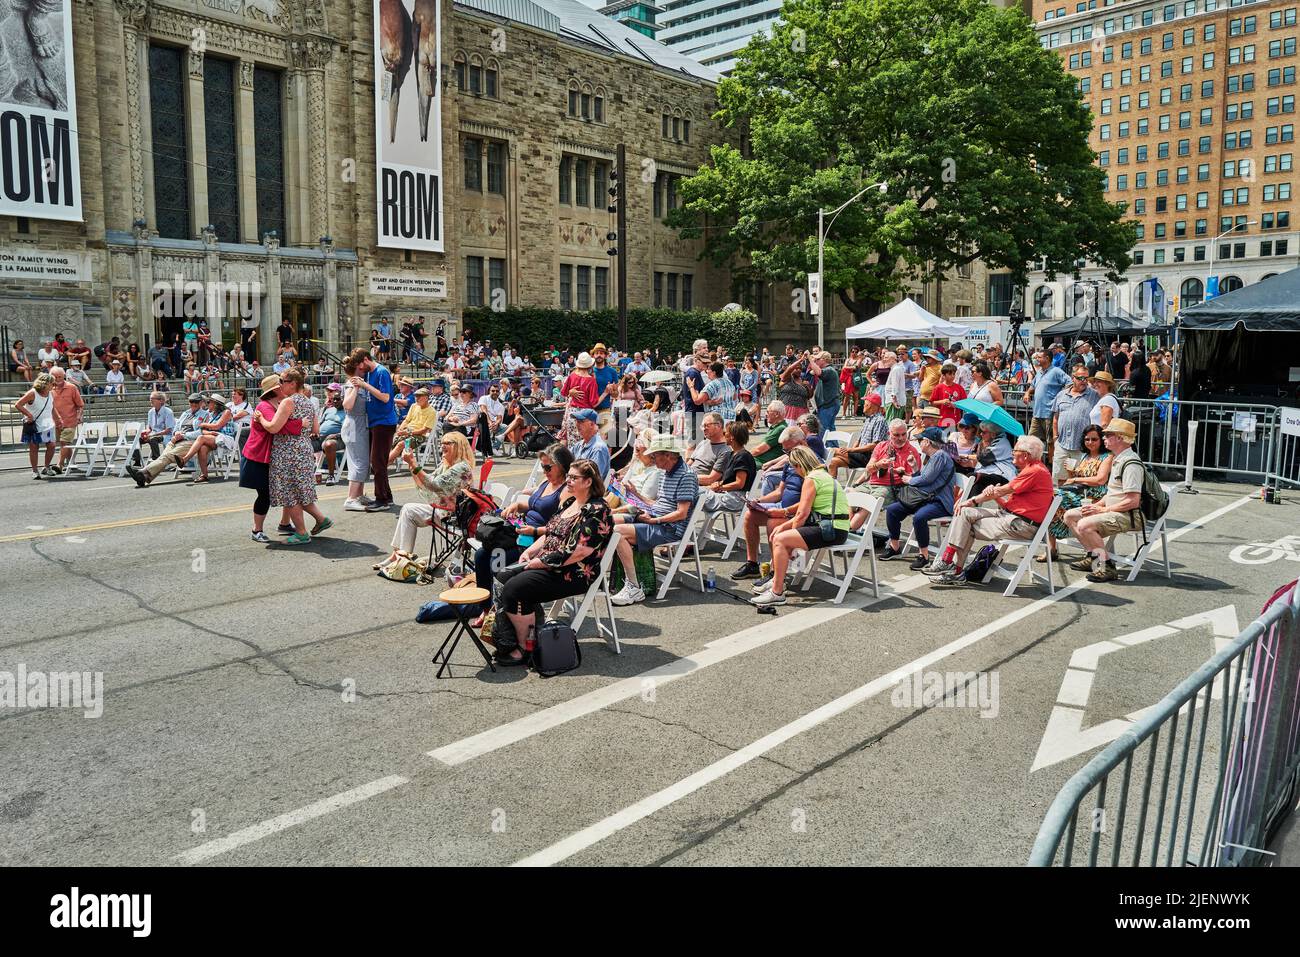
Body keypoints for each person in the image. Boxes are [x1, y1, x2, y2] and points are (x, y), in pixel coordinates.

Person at [489, 458, 614, 665]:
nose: (569, 481)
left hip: (574, 573)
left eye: (574, 478)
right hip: (551, 564)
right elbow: (550, 533)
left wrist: (543, 562)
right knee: (502, 577)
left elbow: (579, 552)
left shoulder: (597, 510)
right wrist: (530, 552)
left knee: (514, 589)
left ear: (588, 481)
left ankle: (524, 647)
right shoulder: (570, 502)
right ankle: (512, 637)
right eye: (568, 477)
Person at [924, 435, 1055, 585]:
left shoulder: (1035, 471)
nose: (1012, 453)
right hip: (1011, 517)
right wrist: (993, 494)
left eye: (1015, 450)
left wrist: (973, 500)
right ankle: (952, 566)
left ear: (1025, 455)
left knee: (965, 523)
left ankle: (953, 567)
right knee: (964, 513)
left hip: (1021, 525)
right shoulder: (1031, 469)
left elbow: (1002, 491)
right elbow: (1005, 501)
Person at [750, 446, 850, 606]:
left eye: (793, 467)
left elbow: (802, 515)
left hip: (831, 529)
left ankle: (777, 592)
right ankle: (777, 581)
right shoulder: (822, 474)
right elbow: (803, 511)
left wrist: (790, 543)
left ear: (799, 465)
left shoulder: (811, 479)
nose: (795, 472)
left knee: (781, 541)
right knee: (779, 534)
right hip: (834, 527)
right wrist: (782, 527)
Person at [609, 433, 700, 606]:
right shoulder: (667, 471)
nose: (652, 458)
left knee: (617, 532)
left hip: (669, 528)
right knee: (609, 520)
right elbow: (658, 504)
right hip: (657, 519)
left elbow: (681, 513)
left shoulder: (686, 475)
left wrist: (654, 521)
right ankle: (621, 578)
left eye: (654, 455)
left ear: (668, 455)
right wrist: (636, 494)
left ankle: (633, 586)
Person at [377, 431, 476, 570]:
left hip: (456, 517)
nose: (442, 446)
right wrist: (412, 466)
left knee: (409, 510)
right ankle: (400, 555)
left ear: (459, 446)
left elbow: (434, 485)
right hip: (444, 511)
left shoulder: (461, 467)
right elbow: (425, 485)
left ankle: (402, 557)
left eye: (448, 443)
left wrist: (413, 463)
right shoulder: (446, 465)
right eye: (442, 443)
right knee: (408, 510)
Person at [1063, 419, 1145, 583]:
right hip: (1115, 509)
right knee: (1070, 516)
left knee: (1084, 524)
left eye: (1108, 435)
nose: (1104, 437)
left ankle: (1106, 565)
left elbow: (1133, 501)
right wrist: (1097, 505)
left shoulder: (1130, 463)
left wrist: (1102, 510)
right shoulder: (1118, 458)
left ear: (1120, 438)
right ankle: (1092, 556)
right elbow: (1113, 493)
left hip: (1129, 515)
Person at [258, 369, 332, 544]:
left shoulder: (287, 402)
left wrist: (261, 418)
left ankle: (301, 532)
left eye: (282, 381)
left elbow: (273, 427)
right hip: (304, 448)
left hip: (287, 450)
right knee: (300, 491)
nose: (280, 384)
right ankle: (320, 520)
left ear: (292, 383)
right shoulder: (308, 402)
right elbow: (316, 430)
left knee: (289, 493)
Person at [877, 427, 957, 570]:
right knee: (893, 510)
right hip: (926, 498)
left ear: (927, 441)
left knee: (919, 517)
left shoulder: (940, 456)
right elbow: (925, 478)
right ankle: (894, 547)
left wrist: (909, 479)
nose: (919, 443)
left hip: (940, 501)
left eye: (920, 440)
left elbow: (927, 479)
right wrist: (914, 468)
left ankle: (924, 556)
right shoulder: (932, 457)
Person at [1042, 423, 1113, 560]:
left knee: (1054, 498)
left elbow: (1100, 480)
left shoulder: (1107, 457)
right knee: (1049, 497)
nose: (1090, 442)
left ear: (1101, 440)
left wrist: (1075, 480)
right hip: (1080, 492)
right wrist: (1071, 474)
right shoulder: (1084, 456)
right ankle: (1052, 547)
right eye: (1087, 439)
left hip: (1095, 495)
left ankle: (1059, 543)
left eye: (1094, 439)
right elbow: (1077, 480)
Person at [348, 347, 396, 508]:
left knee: (377, 462)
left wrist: (365, 386)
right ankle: (386, 495)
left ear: (366, 360)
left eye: (360, 366)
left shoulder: (381, 372)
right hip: (375, 421)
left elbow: (385, 397)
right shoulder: (369, 373)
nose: (360, 370)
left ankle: (382, 499)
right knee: (378, 461)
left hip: (384, 421)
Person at [128, 393, 208, 486]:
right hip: (176, 440)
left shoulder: (205, 415)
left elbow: (202, 432)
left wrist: (184, 435)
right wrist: (176, 433)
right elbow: (175, 427)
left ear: (201, 403)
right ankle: (144, 477)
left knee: (166, 456)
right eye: (191, 402)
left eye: (196, 402)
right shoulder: (185, 413)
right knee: (165, 456)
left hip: (191, 441)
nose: (193, 404)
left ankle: (142, 472)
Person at [340, 353, 377, 512]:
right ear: (356, 369)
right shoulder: (352, 384)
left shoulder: (358, 382)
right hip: (354, 424)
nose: (364, 371)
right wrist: (356, 387)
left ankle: (359, 495)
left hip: (360, 424)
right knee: (358, 462)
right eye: (361, 369)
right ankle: (351, 499)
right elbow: (347, 405)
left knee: (361, 460)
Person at [1051, 365, 1099, 485]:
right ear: (1073, 378)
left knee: (1079, 480)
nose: (1084, 381)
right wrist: (1055, 438)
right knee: (1059, 479)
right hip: (1062, 445)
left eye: (1086, 379)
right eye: (1080, 378)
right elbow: (1055, 418)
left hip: (1082, 447)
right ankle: (1060, 503)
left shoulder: (1094, 395)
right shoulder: (1061, 395)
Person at [1023, 350, 1072, 464]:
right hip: (1037, 413)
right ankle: (1033, 465)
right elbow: (1033, 385)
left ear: (1047, 358)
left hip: (1049, 413)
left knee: (1051, 442)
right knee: (1031, 441)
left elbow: (1069, 382)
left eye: (1039, 357)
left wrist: (1061, 396)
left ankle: (1051, 465)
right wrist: (1027, 393)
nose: (1037, 359)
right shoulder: (1039, 372)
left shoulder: (1056, 371)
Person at [177, 393, 238, 483]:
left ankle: (185, 459)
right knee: (202, 448)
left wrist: (204, 425)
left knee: (201, 438)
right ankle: (204, 475)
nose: (206, 404)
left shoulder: (226, 412)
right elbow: (203, 430)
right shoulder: (210, 413)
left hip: (225, 438)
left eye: (209, 402)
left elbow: (217, 426)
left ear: (216, 404)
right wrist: (208, 431)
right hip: (213, 437)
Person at [829, 392, 888, 480]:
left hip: (870, 457)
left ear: (872, 405)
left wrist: (851, 450)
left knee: (834, 451)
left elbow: (874, 445)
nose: (863, 405)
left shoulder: (879, 421)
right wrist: (851, 451)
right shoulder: (868, 419)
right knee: (833, 462)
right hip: (860, 455)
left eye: (865, 404)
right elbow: (859, 440)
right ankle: (834, 489)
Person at [864, 418, 921, 508]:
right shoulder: (881, 446)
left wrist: (901, 473)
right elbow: (868, 469)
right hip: (871, 485)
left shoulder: (912, 452)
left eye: (903, 434)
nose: (901, 438)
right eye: (896, 435)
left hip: (890, 488)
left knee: (867, 504)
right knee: (849, 496)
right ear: (889, 434)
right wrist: (878, 465)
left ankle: (855, 521)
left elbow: (915, 480)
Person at [700, 421, 754, 513]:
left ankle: (683, 524)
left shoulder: (743, 456)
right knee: (692, 491)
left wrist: (720, 487)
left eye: (725, 433)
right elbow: (730, 479)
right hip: (727, 495)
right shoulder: (732, 454)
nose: (723, 435)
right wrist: (718, 484)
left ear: (732, 437)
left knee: (693, 495)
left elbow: (739, 483)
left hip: (734, 499)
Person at [16, 372, 57, 478]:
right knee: (34, 447)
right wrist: (29, 415)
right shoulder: (33, 393)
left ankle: (46, 467)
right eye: (52, 383)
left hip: (47, 423)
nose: (54, 385)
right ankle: (35, 470)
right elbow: (18, 404)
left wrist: (58, 419)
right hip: (33, 424)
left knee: (52, 446)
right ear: (45, 384)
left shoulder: (50, 393)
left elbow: (52, 407)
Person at [388, 387, 437, 466]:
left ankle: (381, 465)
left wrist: (408, 432)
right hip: (407, 432)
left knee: (401, 444)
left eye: (419, 396)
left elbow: (424, 430)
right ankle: (382, 467)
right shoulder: (414, 406)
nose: (416, 398)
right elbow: (406, 421)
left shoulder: (432, 411)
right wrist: (400, 430)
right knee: (388, 442)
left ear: (426, 398)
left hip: (418, 436)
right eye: (416, 396)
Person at [49, 366, 84, 473]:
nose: (58, 379)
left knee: (64, 442)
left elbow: (80, 405)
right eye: (55, 377)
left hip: (70, 421)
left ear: (64, 376)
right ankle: (71, 462)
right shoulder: (49, 389)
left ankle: (59, 465)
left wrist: (79, 416)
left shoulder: (72, 387)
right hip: (55, 422)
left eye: (60, 376)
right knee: (64, 443)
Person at [968, 422, 1016, 497]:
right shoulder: (988, 442)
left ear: (993, 433)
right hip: (990, 473)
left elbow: (982, 458)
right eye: (981, 431)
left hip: (1003, 476)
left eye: (984, 432)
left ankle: (968, 505)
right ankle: (967, 505)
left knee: (974, 476)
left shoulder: (1002, 442)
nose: (981, 434)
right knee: (975, 482)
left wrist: (965, 456)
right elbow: (979, 464)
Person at [568, 408, 610, 479]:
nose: (577, 424)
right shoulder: (579, 445)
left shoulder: (598, 448)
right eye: (576, 421)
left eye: (581, 421)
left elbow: (593, 479)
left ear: (591, 424)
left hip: (588, 487)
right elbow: (565, 460)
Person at [318, 386, 346, 484]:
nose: (334, 401)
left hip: (337, 439)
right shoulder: (328, 410)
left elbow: (348, 431)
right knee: (302, 444)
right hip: (320, 437)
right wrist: (314, 432)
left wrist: (336, 435)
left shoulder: (348, 412)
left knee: (329, 444)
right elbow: (319, 424)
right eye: (333, 399)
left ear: (344, 399)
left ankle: (331, 476)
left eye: (337, 399)